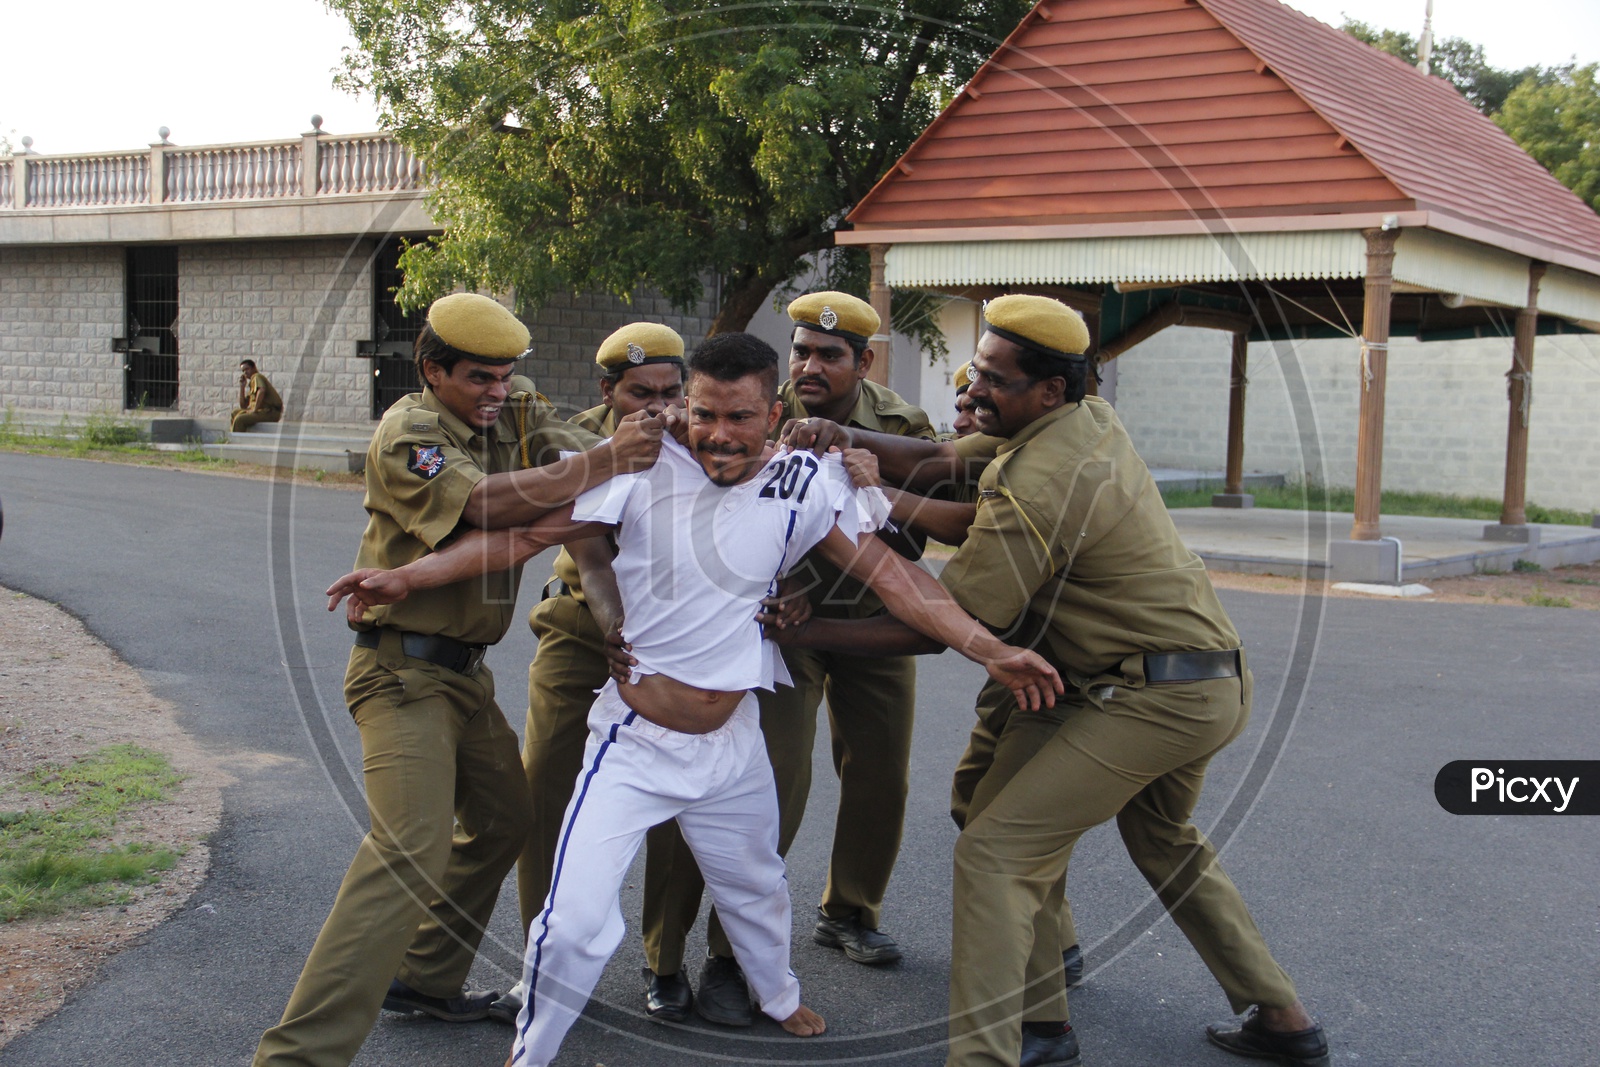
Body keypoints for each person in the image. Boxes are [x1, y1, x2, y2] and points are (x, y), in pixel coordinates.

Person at [326, 332, 1063, 1067]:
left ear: (772, 413)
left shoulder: (806, 482)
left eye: (740, 417)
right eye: (704, 413)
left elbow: (900, 582)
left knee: (757, 888)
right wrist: (408, 578)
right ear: (687, 406)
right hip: (633, 748)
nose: (719, 434)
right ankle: (532, 1052)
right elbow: (524, 538)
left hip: (732, 747)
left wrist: (991, 651)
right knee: (575, 924)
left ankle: (778, 995)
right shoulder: (640, 466)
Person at [781, 294, 1328, 1067]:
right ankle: (1275, 1018)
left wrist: (805, 627)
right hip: (1199, 677)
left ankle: (992, 1051)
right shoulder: (1082, 421)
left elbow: (944, 626)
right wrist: (847, 440)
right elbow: (950, 461)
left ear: (1049, 389)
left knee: (996, 854)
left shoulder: (1038, 483)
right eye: (976, 370)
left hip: (1143, 696)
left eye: (993, 379)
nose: (975, 389)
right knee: (1137, 834)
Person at [251, 293, 665, 1067]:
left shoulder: (514, 405)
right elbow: (483, 503)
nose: (497, 391)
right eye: (479, 377)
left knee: (507, 817)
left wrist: (675, 433)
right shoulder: (409, 432)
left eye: (506, 375)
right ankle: (297, 1057)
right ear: (432, 368)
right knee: (408, 845)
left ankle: (425, 974)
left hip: (465, 680)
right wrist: (608, 460)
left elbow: (576, 450)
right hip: (400, 672)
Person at [641, 291, 936, 1025]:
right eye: (802, 350)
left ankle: (850, 911)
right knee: (770, 786)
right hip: (780, 630)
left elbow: (910, 543)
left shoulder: (901, 425)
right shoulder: (750, 408)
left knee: (880, 775)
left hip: (870, 625)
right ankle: (718, 956)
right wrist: (790, 581)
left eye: (829, 355)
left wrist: (859, 470)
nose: (810, 365)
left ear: (863, 363)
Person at [231, 359, 283, 432]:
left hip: (270, 412)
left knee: (239, 419)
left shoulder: (257, 376)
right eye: (243, 371)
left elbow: (262, 390)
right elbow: (243, 406)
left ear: (254, 368)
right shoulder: (252, 383)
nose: (245, 372)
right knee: (234, 413)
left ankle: (236, 438)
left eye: (247, 369)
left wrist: (255, 409)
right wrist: (242, 387)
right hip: (261, 411)